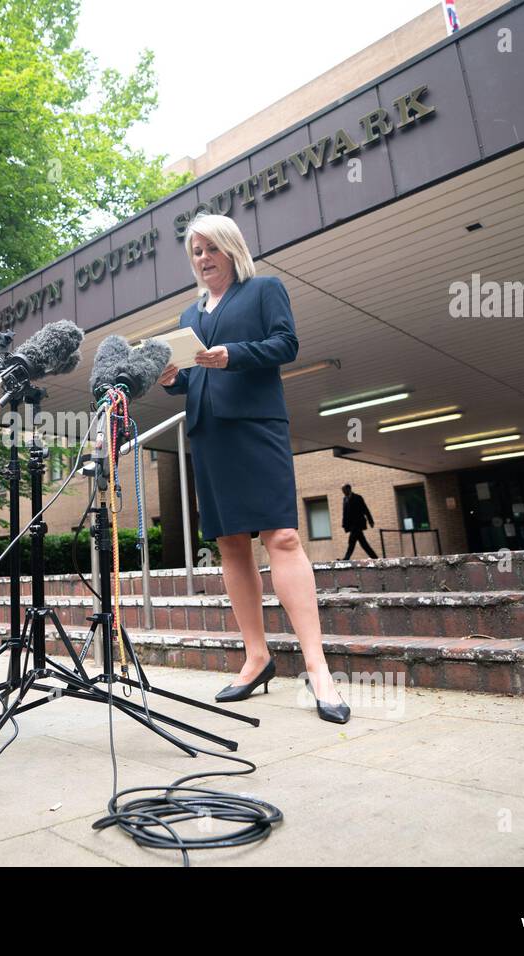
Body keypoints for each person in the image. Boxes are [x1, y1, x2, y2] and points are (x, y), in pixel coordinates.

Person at [159, 214, 348, 723]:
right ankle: (257, 657)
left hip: (255, 425)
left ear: (230, 248)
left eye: (210, 248)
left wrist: (233, 354)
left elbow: (286, 344)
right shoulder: (186, 314)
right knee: (230, 543)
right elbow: (192, 376)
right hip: (208, 433)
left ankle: (318, 666)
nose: (202, 258)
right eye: (195, 251)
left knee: (282, 535)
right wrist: (173, 378)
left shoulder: (265, 290)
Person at [341, 484, 378, 560]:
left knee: (351, 541)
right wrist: (344, 524)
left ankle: (346, 558)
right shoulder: (345, 499)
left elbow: (365, 509)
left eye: (344, 490)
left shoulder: (358, 498)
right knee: (363, 543)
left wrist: (370, 521)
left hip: (358, 523)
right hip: (351, 525)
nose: (343, 492)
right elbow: (345, 513)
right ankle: (374, 557)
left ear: (349, 489)